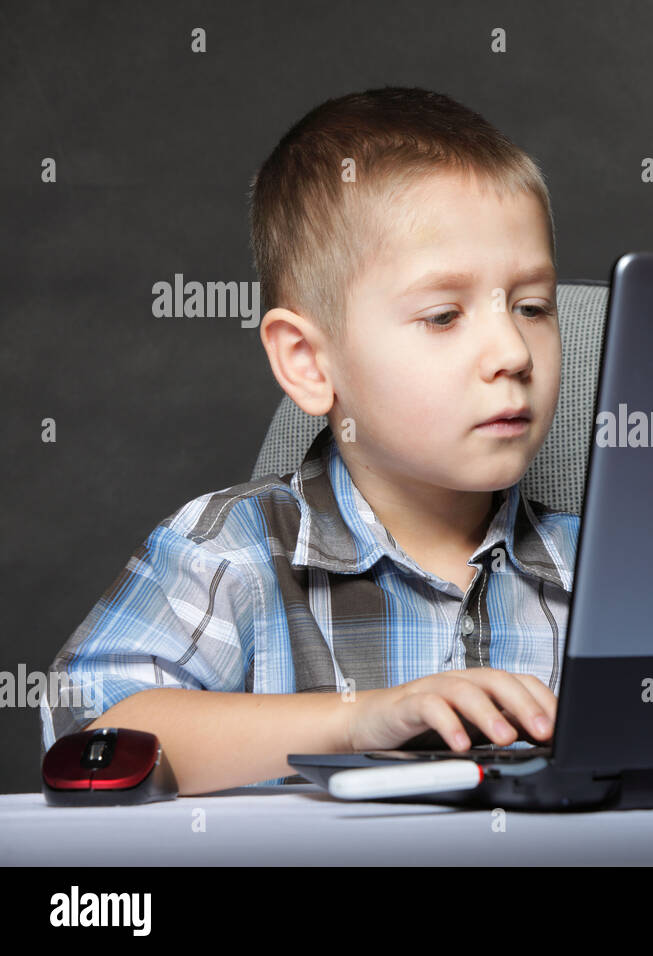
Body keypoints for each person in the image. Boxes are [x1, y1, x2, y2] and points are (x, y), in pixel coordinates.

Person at [39, 87, 576, 794]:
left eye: (532, 307)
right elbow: (93, 739)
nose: (512, 350)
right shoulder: (230, 551)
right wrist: (355, 722)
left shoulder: (603, 571)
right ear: (309, 362)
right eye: (444, 316)